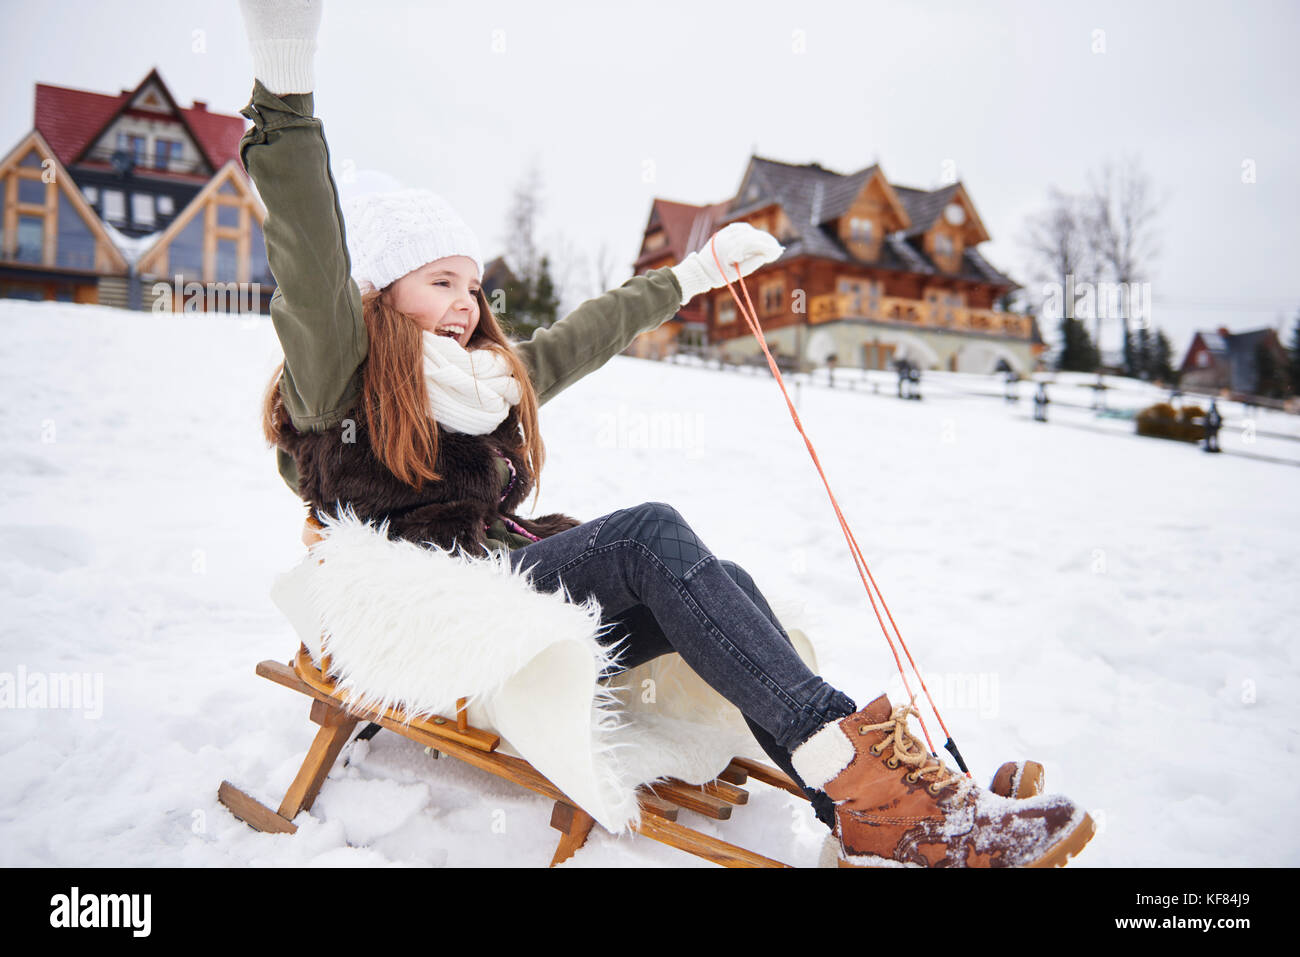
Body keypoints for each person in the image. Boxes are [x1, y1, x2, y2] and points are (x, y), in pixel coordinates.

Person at [238, 0, 1094, 868]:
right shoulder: (337, 368)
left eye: (475, 285)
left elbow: (583, 333)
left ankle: (869, 808)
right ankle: (873, 785)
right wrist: (285, 81)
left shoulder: (485, 385)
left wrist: (690, 273)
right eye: (441, 281)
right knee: (649, 532)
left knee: (727, 581)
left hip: (505, 594)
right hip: (439, 618)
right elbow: (306, 242)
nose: (467, 304)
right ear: (380, 292)